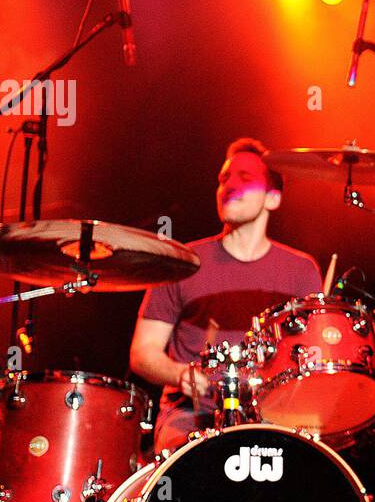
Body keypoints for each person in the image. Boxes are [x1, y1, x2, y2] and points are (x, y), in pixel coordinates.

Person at [129, 137, 321, 452]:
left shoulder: (301, 271)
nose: (229, 185)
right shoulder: (182, 264)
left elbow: (312, 360)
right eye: (224, 179)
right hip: (193, 415)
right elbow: (143, 353)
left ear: (272, 198)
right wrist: (180, 373)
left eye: (245, 178)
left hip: (274, 417)